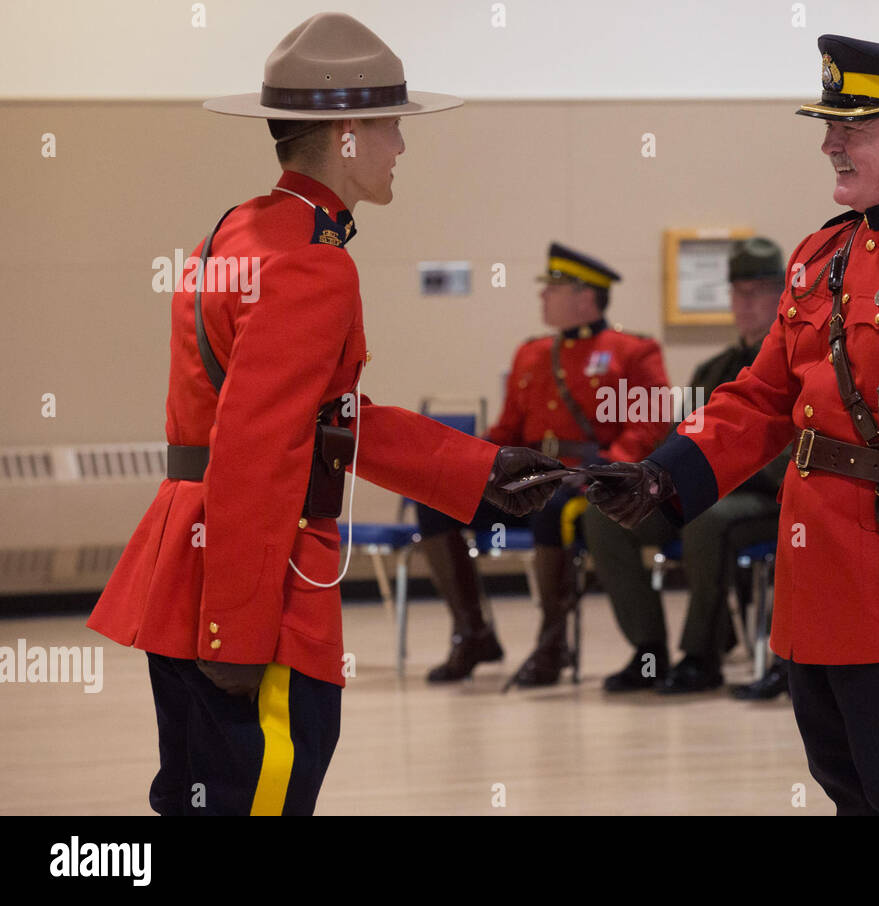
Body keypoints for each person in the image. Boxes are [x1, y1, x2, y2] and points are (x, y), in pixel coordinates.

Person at [86, 13, 560, 816]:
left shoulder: (240, 231)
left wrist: (476, 472)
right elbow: (257, 447)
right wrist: (234, 631)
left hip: (190, 563)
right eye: (390, 126)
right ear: (346, 132)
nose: (402, 147)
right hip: (251, 586)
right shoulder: (311, 262)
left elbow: (320, 419)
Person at [585, 35, 879, 815]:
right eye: (829, 125)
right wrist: (663, 475)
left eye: (852, 127)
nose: (828, 144)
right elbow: (760, 400)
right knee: (850, 792)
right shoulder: (824, 255)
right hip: (819, 598)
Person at [415, 243, 671, 687]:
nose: (542, 298)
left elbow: (648, 427)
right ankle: (473, 633)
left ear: (585, 296)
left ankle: (552, 645)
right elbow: (506, 433)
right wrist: (471, 468)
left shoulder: (633, 351)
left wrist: (603, 471)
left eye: (552, 289)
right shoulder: (531, 354)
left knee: (551, 511)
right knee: (437, 503)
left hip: (585, 482)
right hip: (530, 477)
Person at [583, 238, 788, 695]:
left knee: (707, 522)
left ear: (782, 295)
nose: (745, 303)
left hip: (769, 501)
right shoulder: (713, 370)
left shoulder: (795, 364)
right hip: (710, 493)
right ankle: (649, 651)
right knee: (606, 518)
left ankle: (702, 656)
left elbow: (785, 459)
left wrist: (720, 469)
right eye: (738, 292)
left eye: (758, 291)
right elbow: (682, 438)